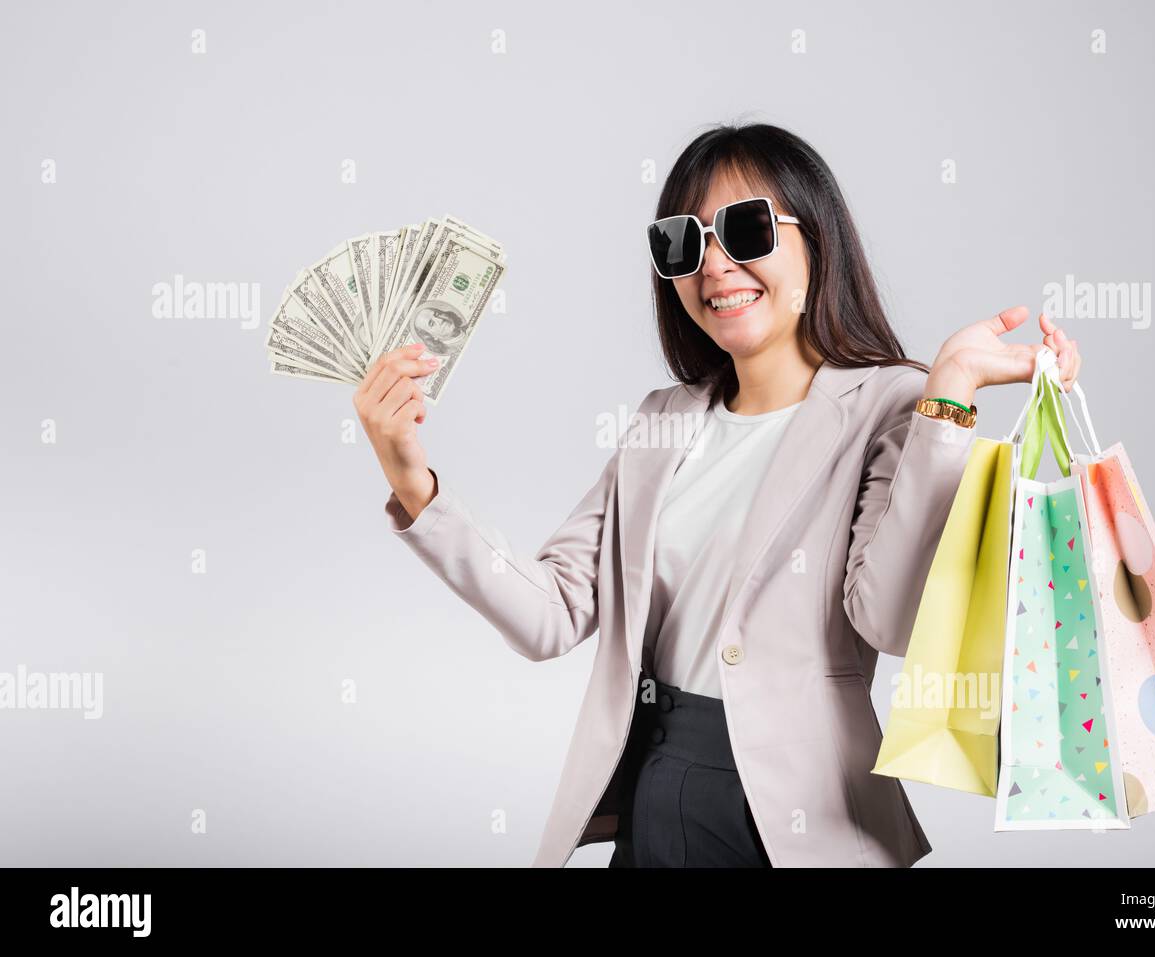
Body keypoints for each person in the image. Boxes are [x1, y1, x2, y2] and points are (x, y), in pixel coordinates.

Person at [353, 122, 1082, 868]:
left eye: (745, 229)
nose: (714, 265)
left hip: (798, 814)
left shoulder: (891, 404)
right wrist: (413, 482)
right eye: (683, 241)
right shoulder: (661, 422)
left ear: (817, 241)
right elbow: (550, 616)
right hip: (654, 787)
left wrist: (951, 394)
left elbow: (890, 619)